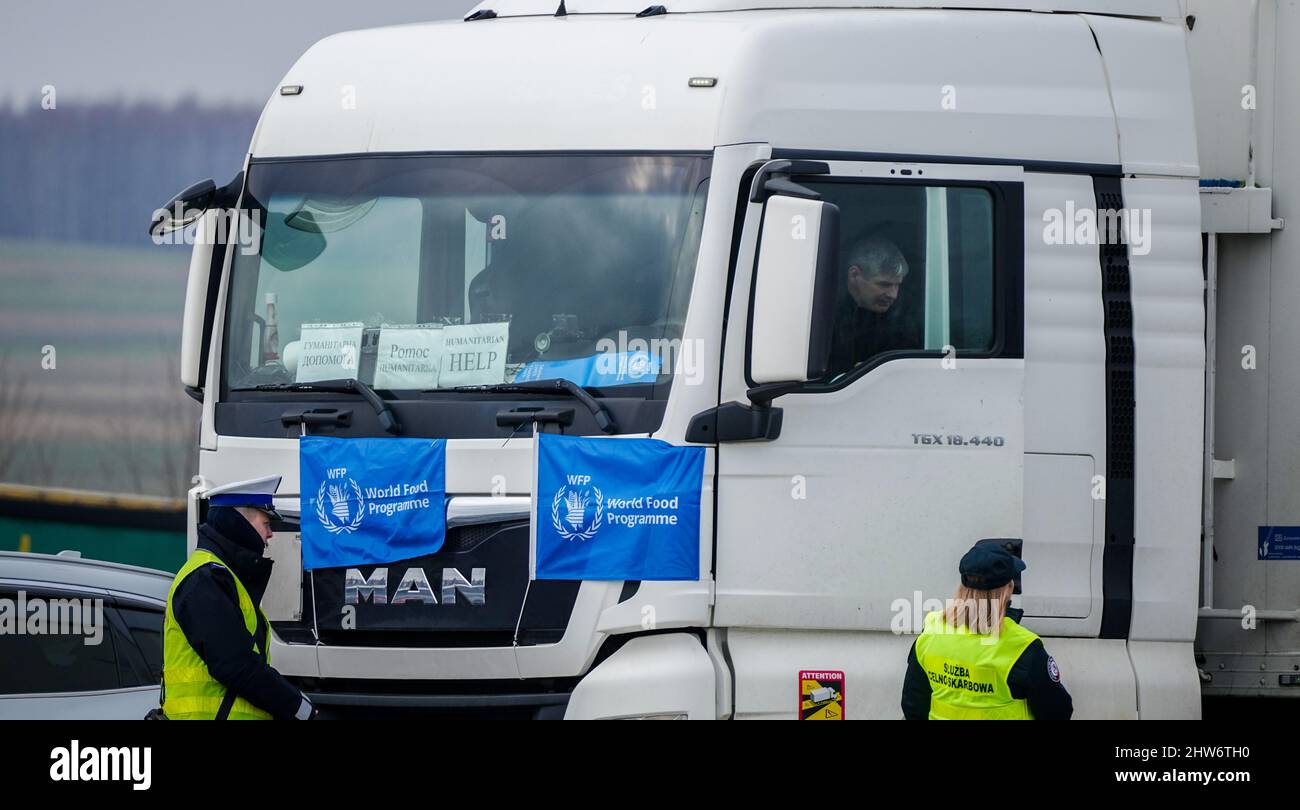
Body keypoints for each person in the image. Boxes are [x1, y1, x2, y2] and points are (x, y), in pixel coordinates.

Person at [156, 475, 317, 720]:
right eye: (266, 523)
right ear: (239, 523)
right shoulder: (206, 579)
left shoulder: (222, 577)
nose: (270, 534)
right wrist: (297, 706)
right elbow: (236, 665)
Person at [900, 542, 1073, 720]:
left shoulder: (931, 633)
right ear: (1008, 589)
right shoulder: (1022, 647)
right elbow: (1058, 712)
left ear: (962, 587)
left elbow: (913, 706)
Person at [827, 235, 922, 376]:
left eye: (897, 285)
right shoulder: (820, 313)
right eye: (884, 284)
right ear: (854, 275)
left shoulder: (901, 318)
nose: (893, 295)